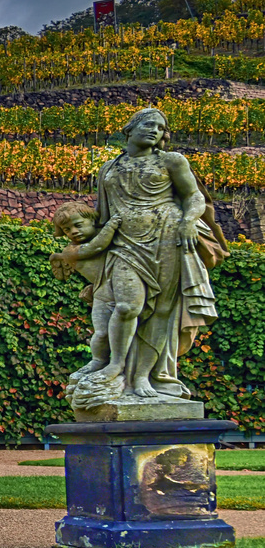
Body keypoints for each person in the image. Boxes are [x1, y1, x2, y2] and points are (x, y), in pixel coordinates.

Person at [72, 108, 223, 407]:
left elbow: (194, 196)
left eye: (160, 127)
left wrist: (189, 221)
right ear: (130, 129)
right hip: (123, 243)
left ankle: (142, 376)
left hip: (168, 238)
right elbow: (103, 213)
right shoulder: (109, 168)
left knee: (161, 312)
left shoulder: (171, 161)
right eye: (148, 124)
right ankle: (115, 364)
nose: (155, 130)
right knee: (127, 306)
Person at [50, 201, 118, 384]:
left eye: (78, 225)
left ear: (93, 221)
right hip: (102, 293)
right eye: (66, 229)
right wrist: (111, 226)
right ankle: (98, 360)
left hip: (119, 287)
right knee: (102, 332)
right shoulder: (70, 251)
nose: (73, 231)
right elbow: (96, 246)